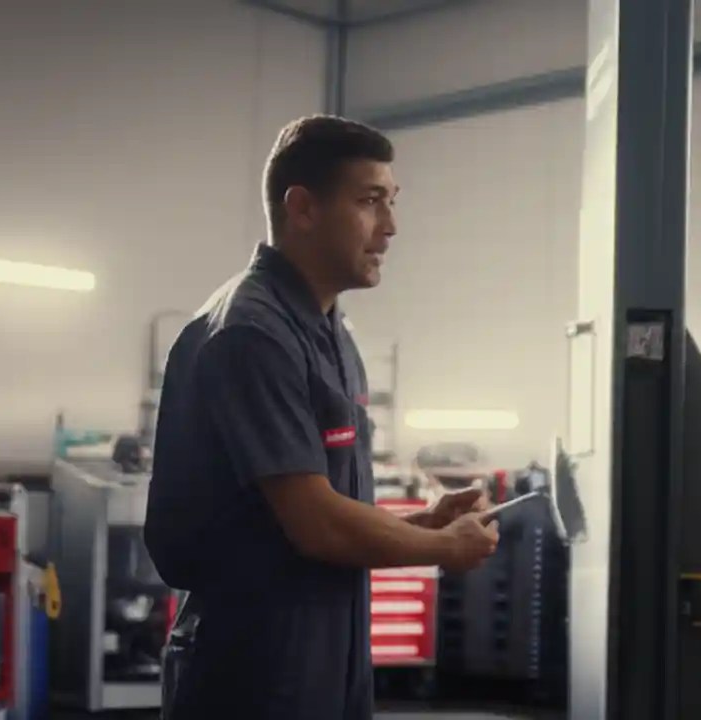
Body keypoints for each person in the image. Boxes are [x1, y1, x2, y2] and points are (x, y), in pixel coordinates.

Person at [144, 115, 500, 720]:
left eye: (392, 202)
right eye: (369, 202)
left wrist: (422, 522)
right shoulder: (251, 334)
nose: (390, 227)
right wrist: (439, 547)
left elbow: (308, 514)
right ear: (303, 208)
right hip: (253, 671)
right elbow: (314, 524)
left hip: (328, 657)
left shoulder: (329, 331)